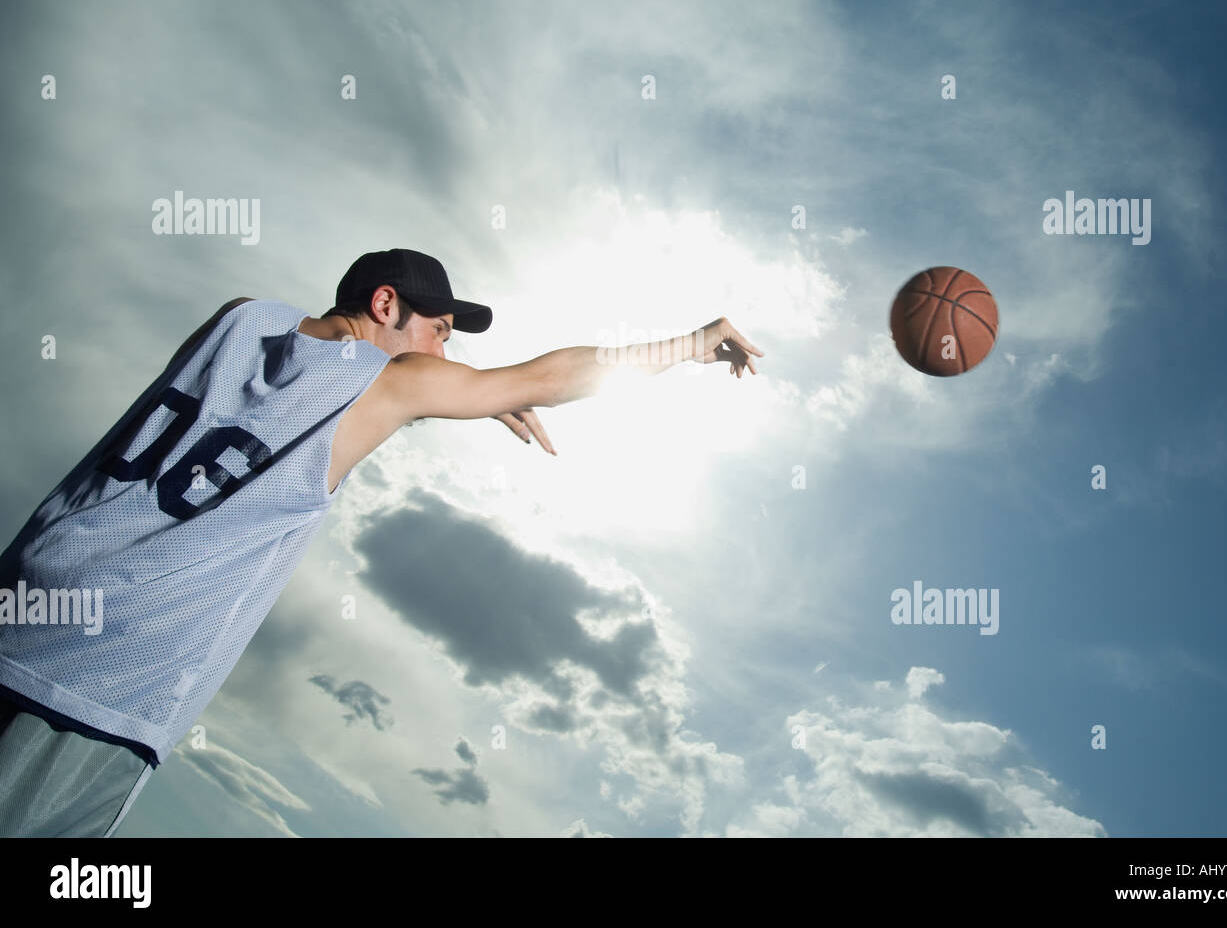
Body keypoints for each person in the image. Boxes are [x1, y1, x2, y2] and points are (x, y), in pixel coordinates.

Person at [0, 248, 762, 836]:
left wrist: (447, 394)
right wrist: (692, 343)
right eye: (439, 332)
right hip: (98, 683)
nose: (445, 354)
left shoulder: (238, 316)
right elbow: (555, 374)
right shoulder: (389, 385)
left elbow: (283, 382)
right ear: (386, 303)